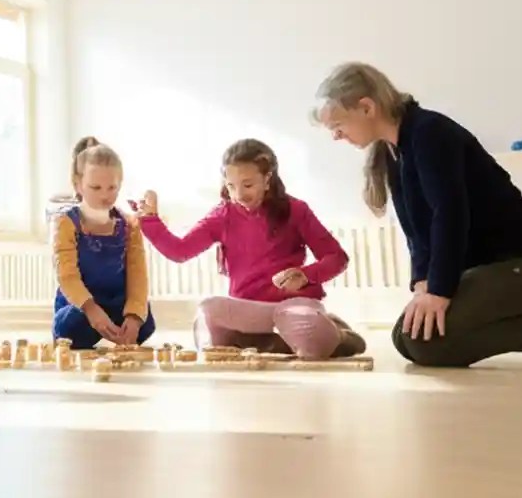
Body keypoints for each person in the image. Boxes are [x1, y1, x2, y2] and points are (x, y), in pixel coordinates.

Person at [313, 61, 522, 367]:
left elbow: (449, 215)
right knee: (405, 338)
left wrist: (439, 291)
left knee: (426, 346)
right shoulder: (393, 152)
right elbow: (416, 232)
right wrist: (423, 282)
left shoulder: (429, 133)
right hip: (491, 270)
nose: (337, 136)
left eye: (337, 125)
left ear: (367, 108)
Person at [137, 139, 366, 359]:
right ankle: (271, 341)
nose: (239, 195)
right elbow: (180, 251)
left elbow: (337, 257)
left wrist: (306, 275)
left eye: (247, 185)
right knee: (208, 313)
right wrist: (150, 220)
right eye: (231, 186)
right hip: (248, 309)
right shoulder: (223, 215)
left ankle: (335, 335)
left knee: (309, 339)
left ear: (268, 179)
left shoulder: (296, 210)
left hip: (291, 305)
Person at [53, 137, 156, 349]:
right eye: (96, 187)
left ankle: (122, 331)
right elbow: (67, 275)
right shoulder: (66, 222)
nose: (105, 195)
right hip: (81, 304)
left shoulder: (128, 224)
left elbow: (138, 274)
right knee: (70, 326)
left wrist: (134, 316)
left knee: (146, 323)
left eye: (112, 188)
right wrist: (91, 309)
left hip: (116, 301)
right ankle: (94, 327)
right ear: (78, 184)